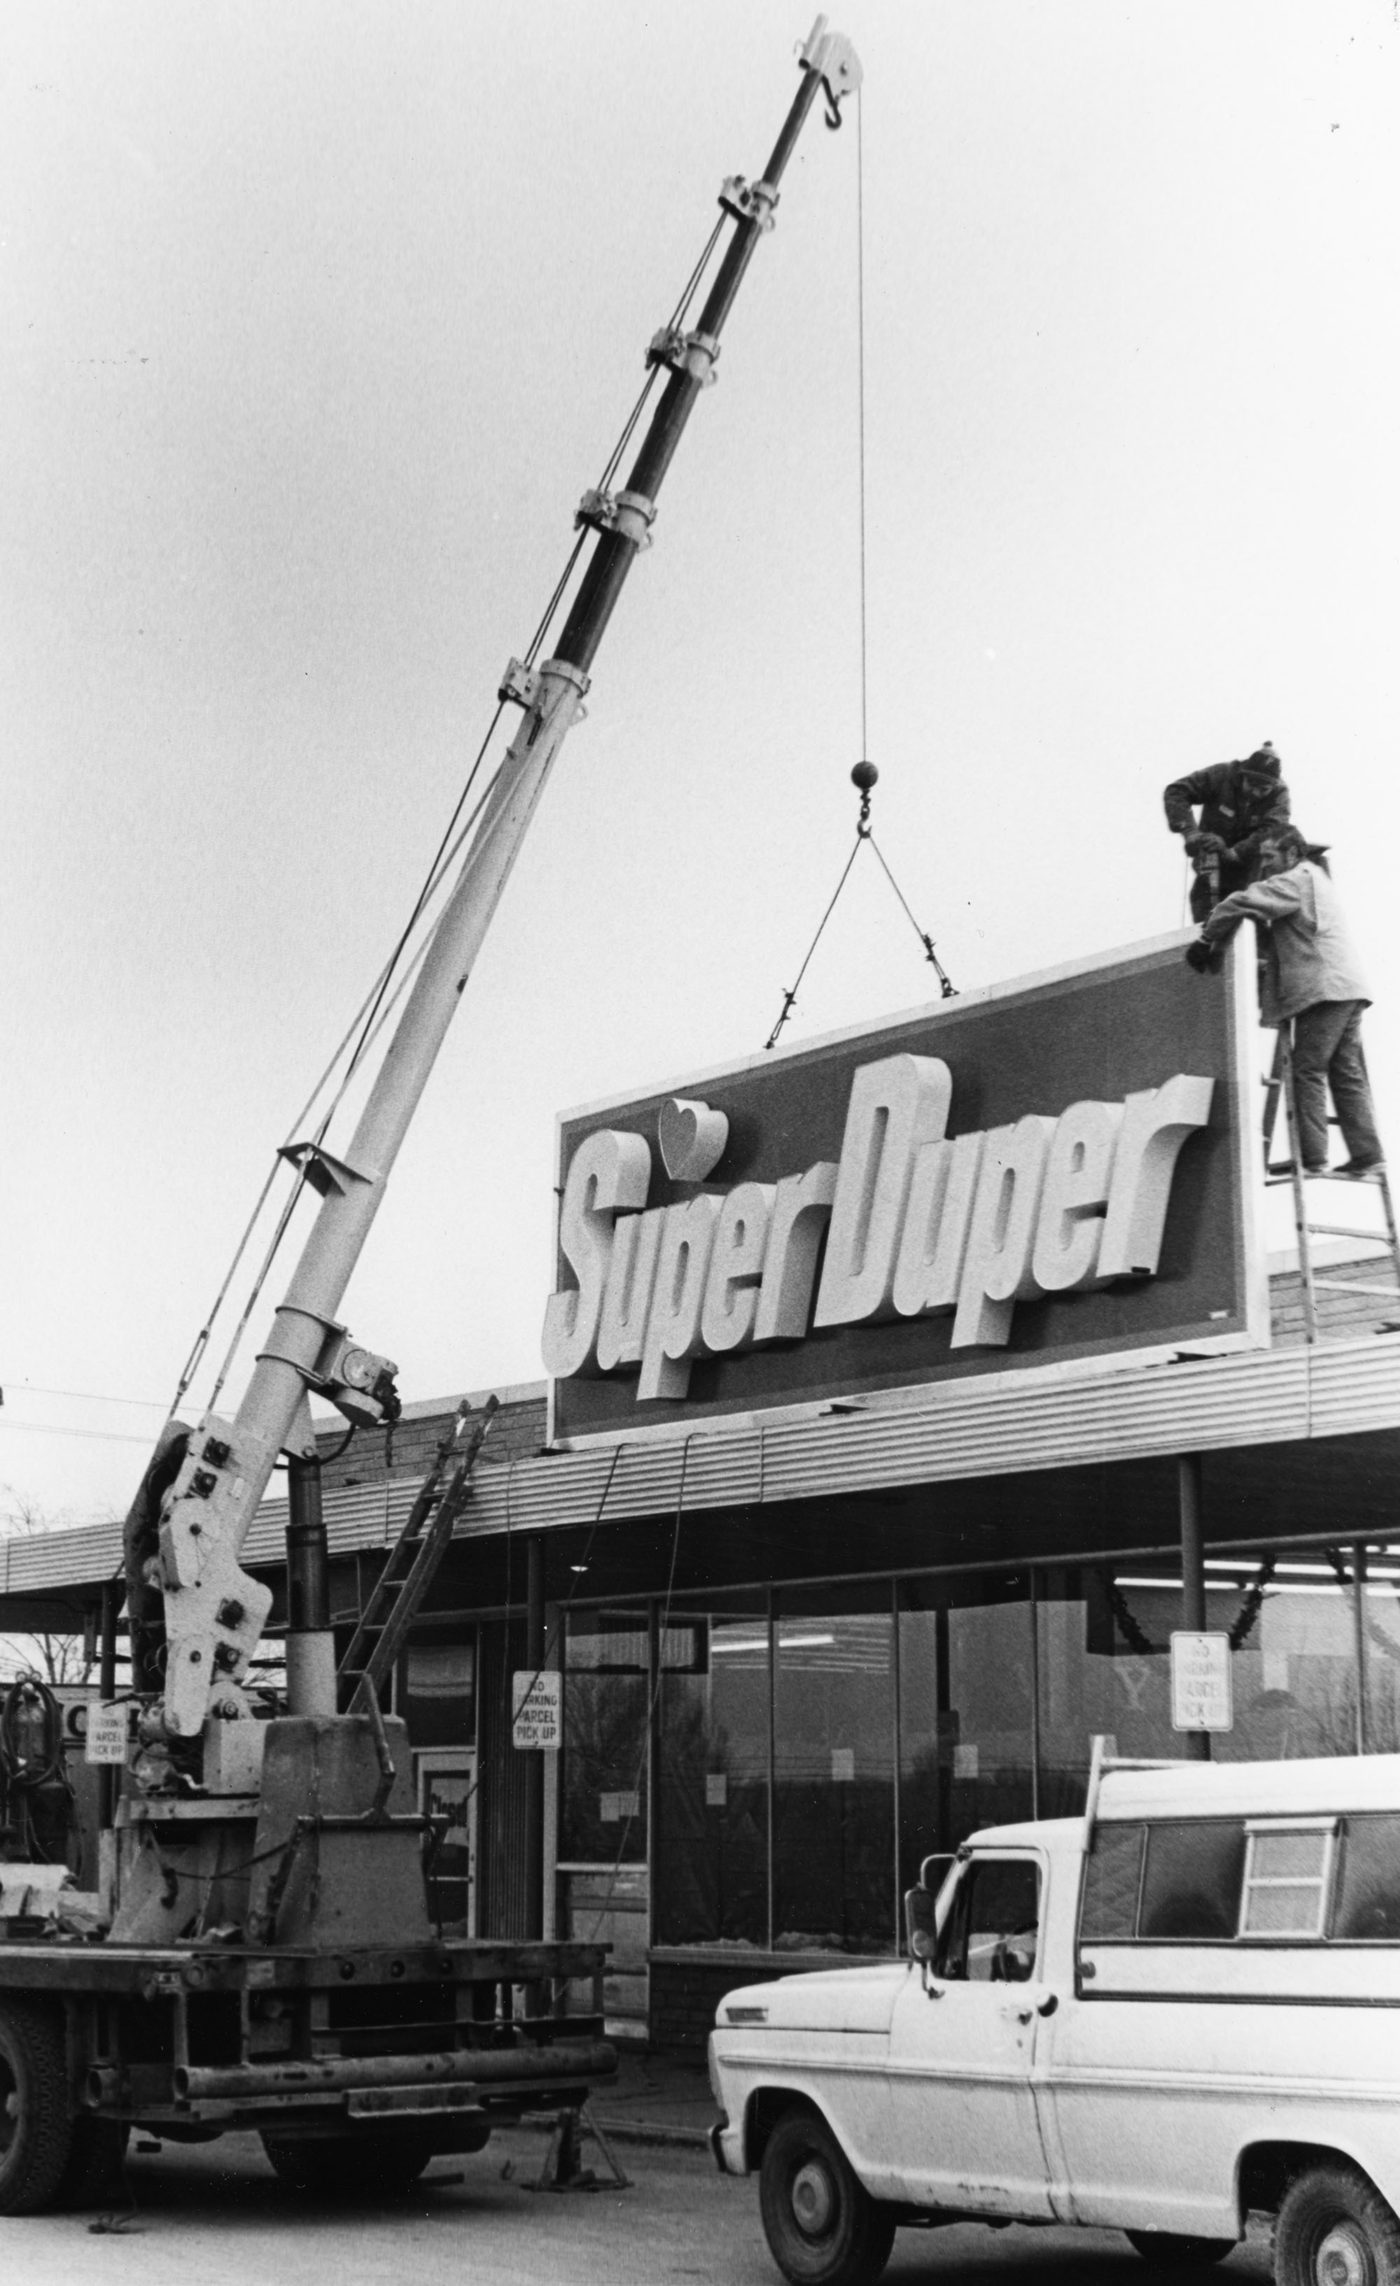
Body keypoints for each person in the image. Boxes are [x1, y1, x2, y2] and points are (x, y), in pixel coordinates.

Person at [1187, 824, 1383, 1177]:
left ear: (1292, 854)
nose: (1265, 864)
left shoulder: (1293, 881)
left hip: (1322, 989)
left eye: (1270, 856)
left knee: (1308, 1070)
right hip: (1348, 987)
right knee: (1346, 1073)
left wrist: (1206, 939)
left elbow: (1241, 900)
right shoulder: (1316, 879)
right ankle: (1368, 1154)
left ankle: (1313, 1157)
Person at [1164, 743, 1291, 922]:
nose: (1256, 792)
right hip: (1209, 868)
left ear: (1273, 786)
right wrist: (1190, 832)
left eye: (1263, 790)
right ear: (1243, 775)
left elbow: (1272, 831)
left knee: (1248, 922)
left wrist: (1232, 852)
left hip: (1248, 876)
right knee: (1206, 919)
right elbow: (1176, 792)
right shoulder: (1222, 775)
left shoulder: (1280, 795)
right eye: (1252, 784)